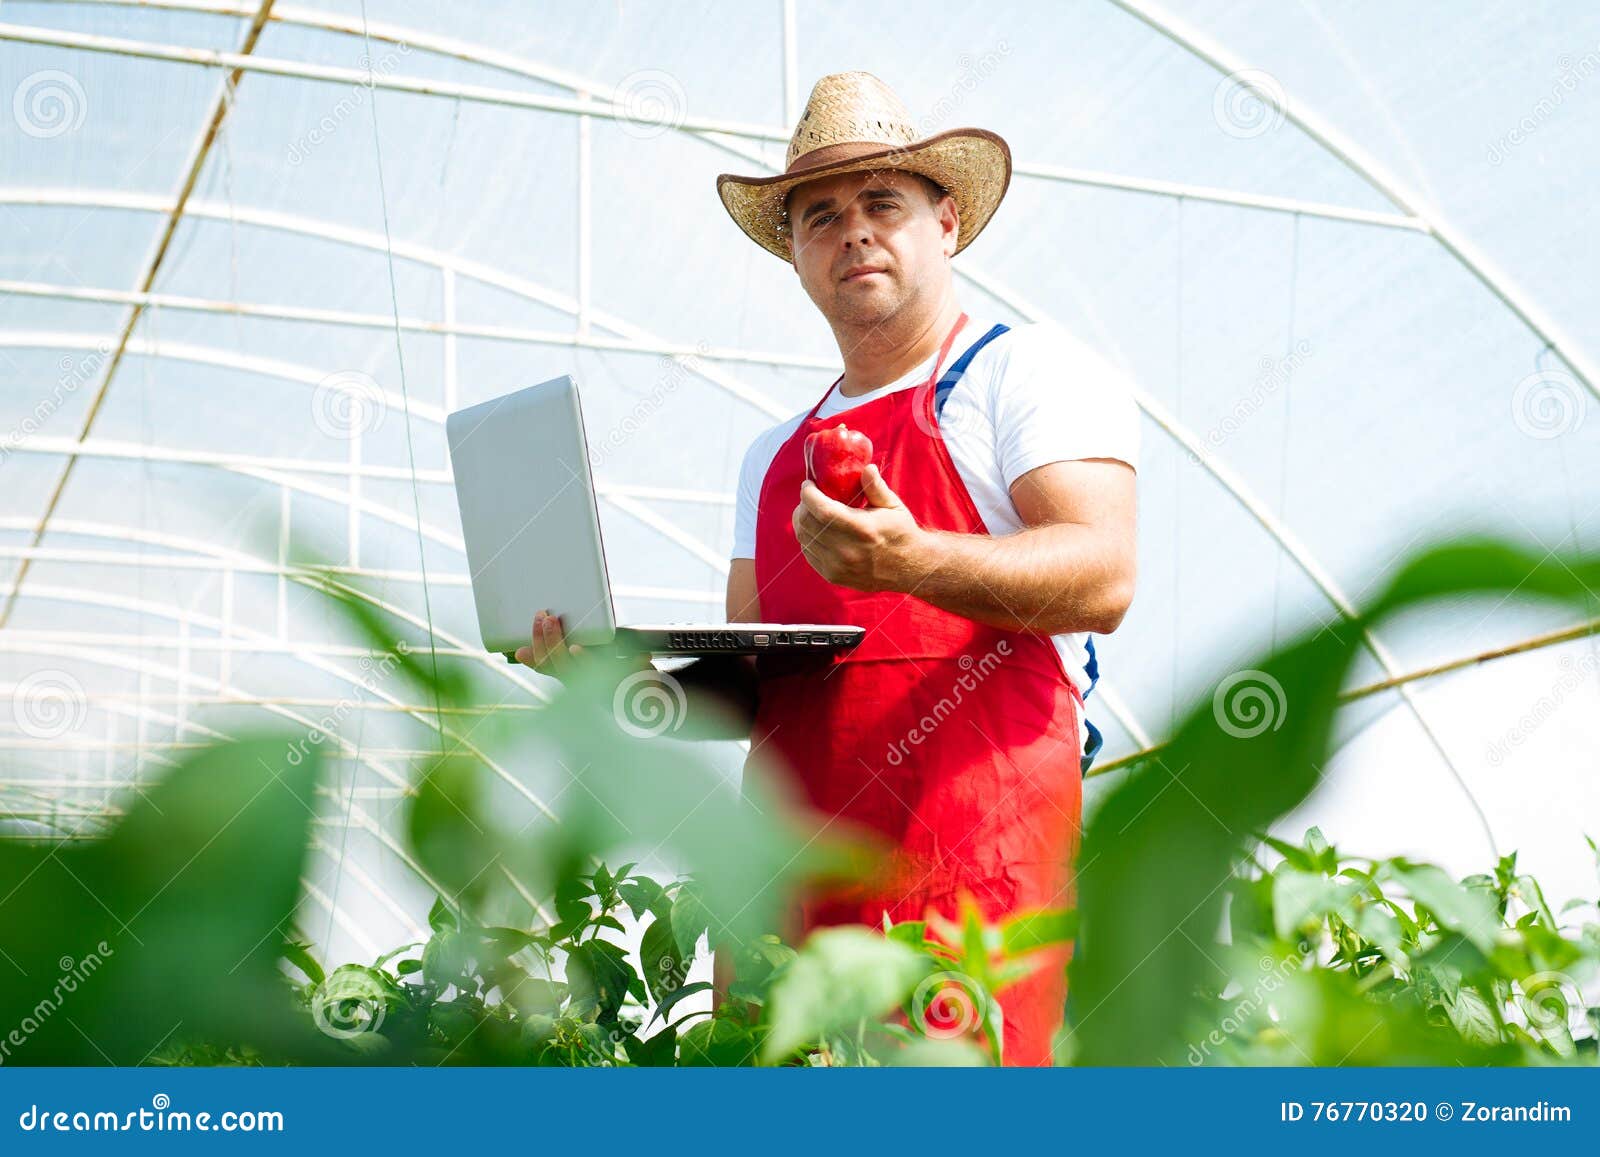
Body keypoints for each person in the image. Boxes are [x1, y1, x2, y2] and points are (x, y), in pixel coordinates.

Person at [519, 72, 1139, 1065]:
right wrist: (616, 684)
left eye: (881, 204)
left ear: (945, 221)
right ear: (797, 258)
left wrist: (912, 559)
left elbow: (1102, 573)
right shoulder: (773, 454)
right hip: (788, 883)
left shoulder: (1024, 372)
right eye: (820, 216)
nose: (853, 231)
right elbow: (761, 683)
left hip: (973, 860)